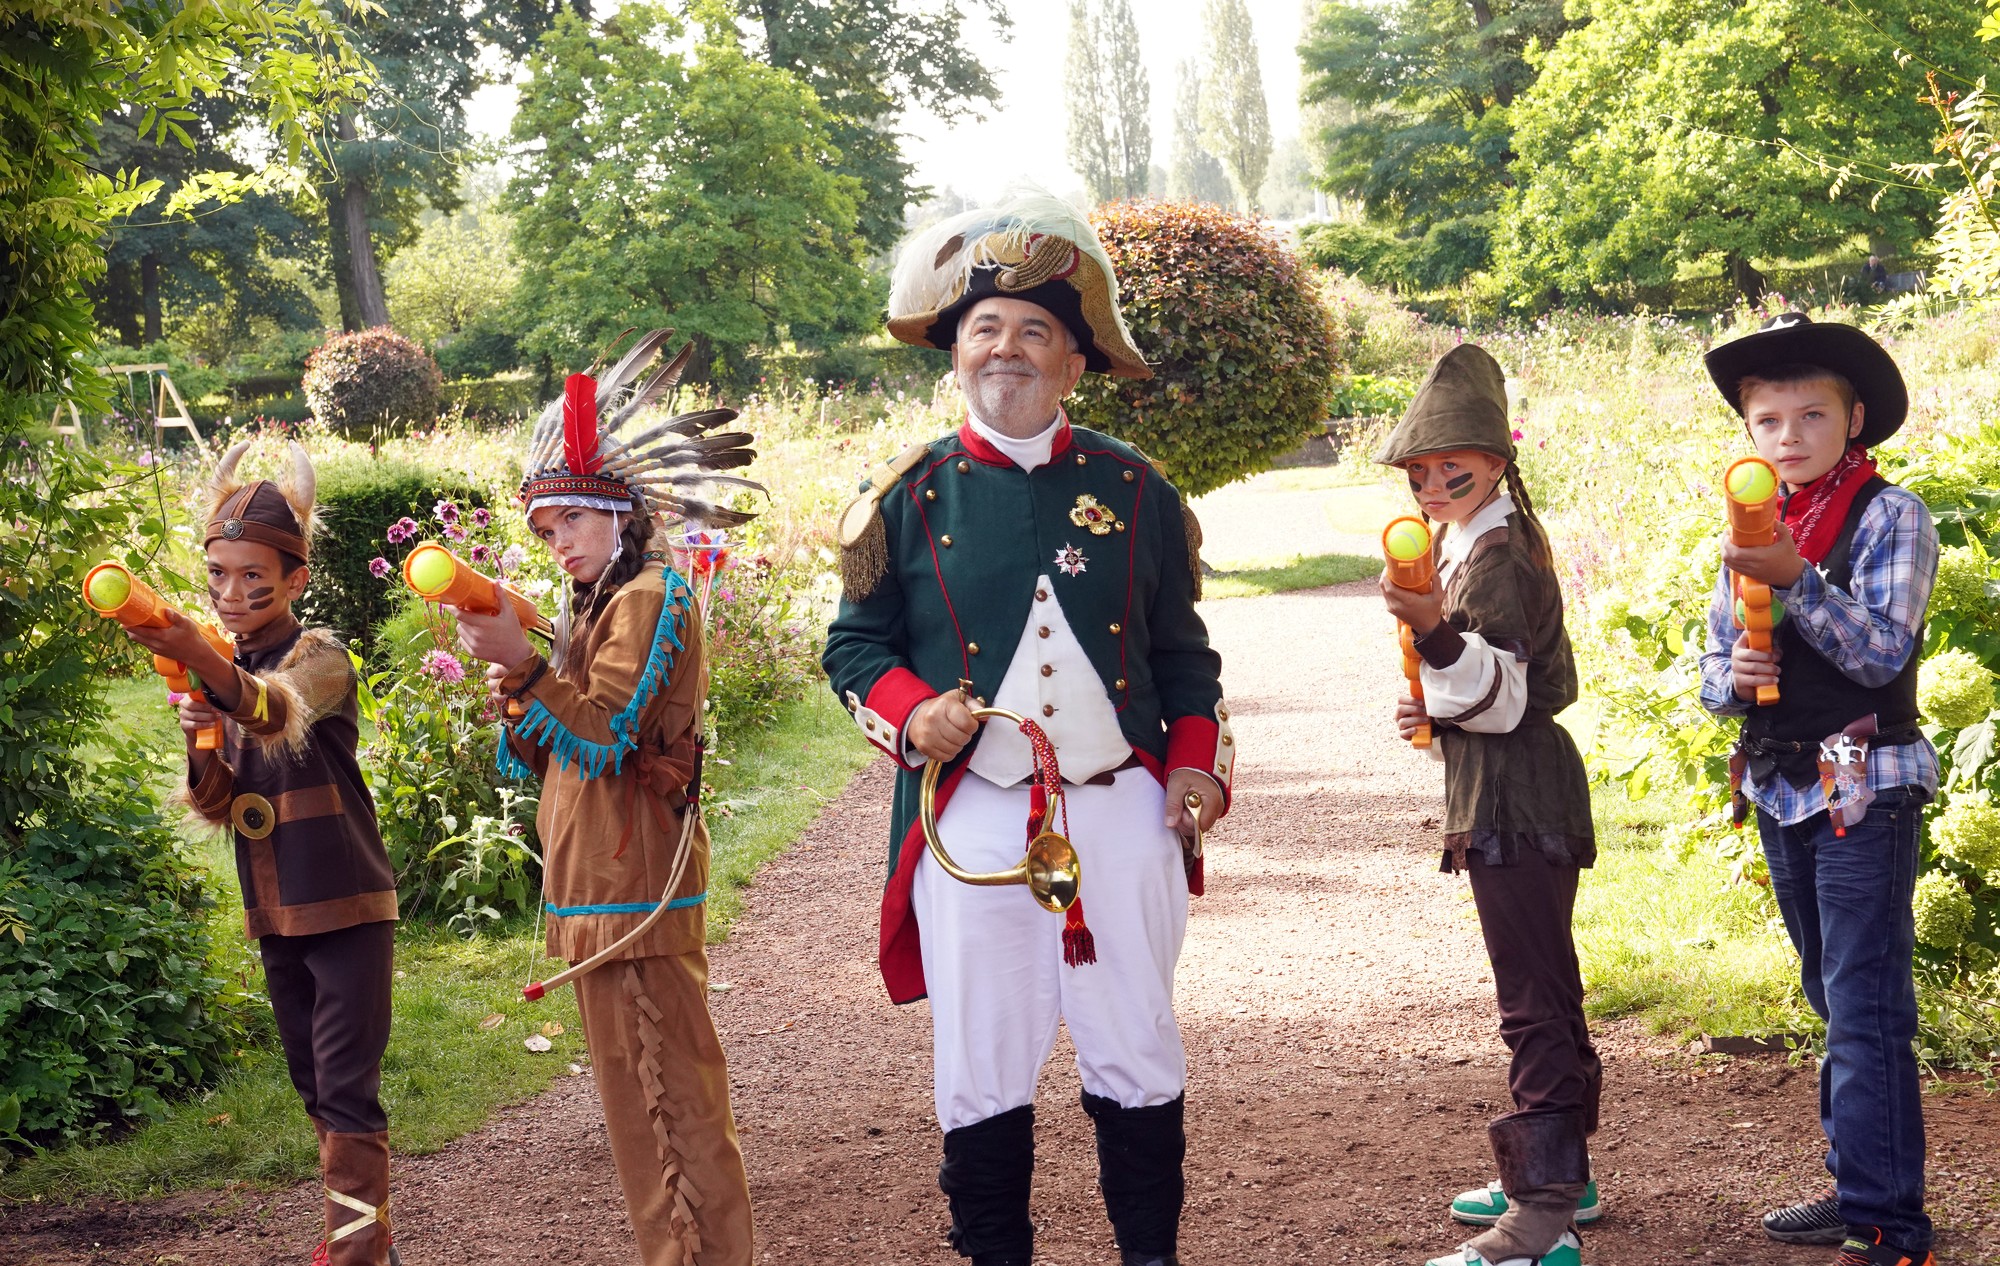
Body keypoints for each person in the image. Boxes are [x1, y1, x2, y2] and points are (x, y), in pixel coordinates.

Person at [822, 193, 1234, 1266]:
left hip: (1120, 814)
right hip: (975, 828)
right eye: (984, 329)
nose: (1005, 347)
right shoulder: (904, 498)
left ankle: (1150, 1257)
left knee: (1136, 1046)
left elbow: (1183, 658)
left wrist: (1192, 767)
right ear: (956, 354)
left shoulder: (1136, 489)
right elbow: (852, 651)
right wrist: (920, 714)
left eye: (1033, 331)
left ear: (1072, 365)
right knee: (981, 1060)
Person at [453, 334, 761, 1266]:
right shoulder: (595, 604)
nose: (557, 546)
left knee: (670, 1107)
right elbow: (539, 758)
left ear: (618, 514)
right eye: (545, 534)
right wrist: (519, 671)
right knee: (638, 1113)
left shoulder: (654, 596)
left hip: (637, 890)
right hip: (598, 887)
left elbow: (606, 735)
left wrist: (521, 661)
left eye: (568, 527)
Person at [122, 440, 401, 1266]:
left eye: (253, 576)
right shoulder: (221, 673)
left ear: (295, 580)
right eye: (217, 576)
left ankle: (353, 1256)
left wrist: (202, 660)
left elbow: (275, 713)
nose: (232, 594)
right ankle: (363, 1243)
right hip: (273, 909)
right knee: (314, 1087)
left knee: (347, 1089)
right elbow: (213, 802)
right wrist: (199, 734)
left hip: (347, 907)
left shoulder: (321, 659)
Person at [1699, 312, 1937, 1266]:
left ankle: (1892, 1224)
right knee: (1828, 991)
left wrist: (1796, 581)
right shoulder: (1753, 525)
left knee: (1865, 997)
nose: (1787, 436)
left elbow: (1883, 656)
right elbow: (1713, 667)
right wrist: (1738, 676)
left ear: (1857, 420)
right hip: (1782, 785)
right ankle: (1857, 1188)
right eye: (1766, 421)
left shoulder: (1892, 516)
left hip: (1862, 783)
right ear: (1749, 437)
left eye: (1810, 415)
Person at [1374, 346, 1599, 1266]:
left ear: (1497, 460)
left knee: (1534, 1001)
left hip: (1518, 796)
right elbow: (1485, 686)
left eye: (1448, 464)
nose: (1432, 482)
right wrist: (1431, 693)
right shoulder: (1477, 540)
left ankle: (1541, 1219)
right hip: (1509, 790)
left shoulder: (1495, 553)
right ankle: (1564, 1181)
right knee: (1546, 987)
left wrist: (1429, 630)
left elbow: (1504, 698)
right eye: (1418, 470)